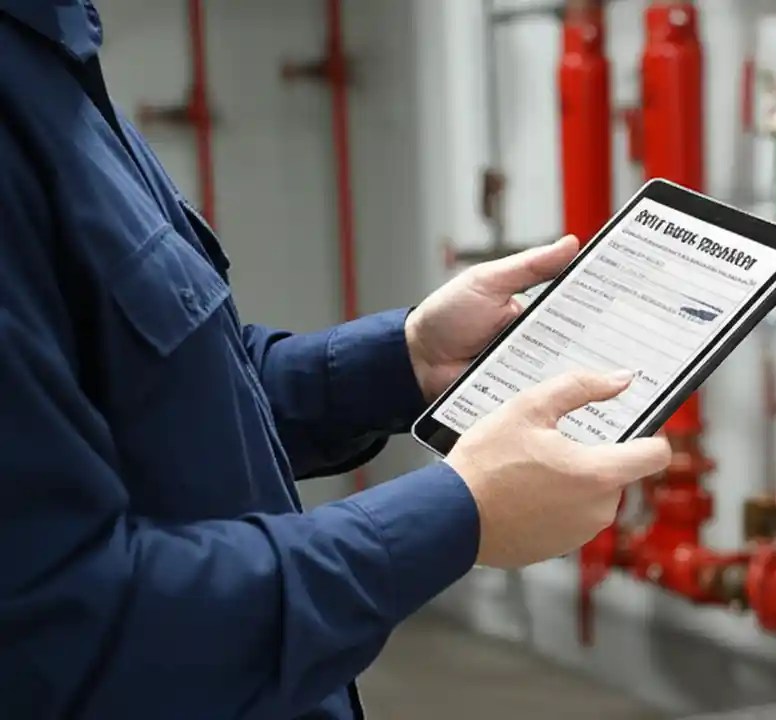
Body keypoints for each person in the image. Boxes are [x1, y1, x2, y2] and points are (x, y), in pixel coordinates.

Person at [0, 2, 672, 718]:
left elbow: (157, 396)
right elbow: (70, 631)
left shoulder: (47, 54)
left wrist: (405, 359)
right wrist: (459, 512)